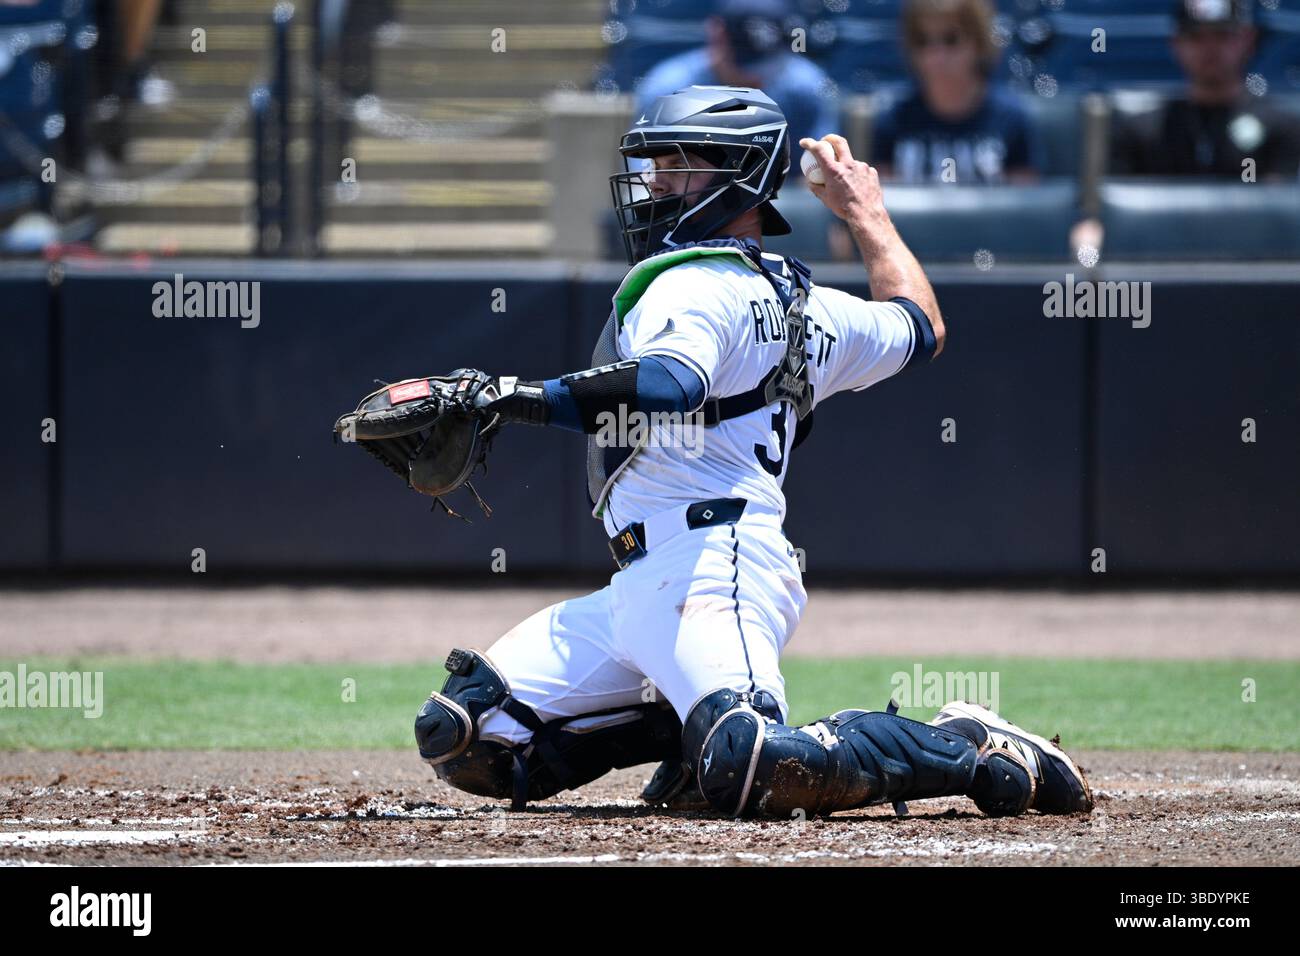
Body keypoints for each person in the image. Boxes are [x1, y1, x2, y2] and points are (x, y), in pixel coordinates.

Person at [412, 85, 1092, 820]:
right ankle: (686, 728)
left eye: (679, 164)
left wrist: (512, 398)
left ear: (739, 173)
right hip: (644, 586)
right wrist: (866, 213)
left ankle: (966, 744)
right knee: (468, 732)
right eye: (656, 163)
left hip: (715, 563)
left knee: (753, 760)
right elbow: (920, 325)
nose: (656, 183)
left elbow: (671, 384)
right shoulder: (808, 303)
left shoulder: (693, 282)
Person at [1110, 0, 1300, 179]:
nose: (1210, 48)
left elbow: (1279, 207)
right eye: (1196, 37)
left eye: (1222, 36)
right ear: (1175, 44)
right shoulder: (1144, 132)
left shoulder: (1281, 129)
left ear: (1247, 40)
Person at [872, 0, 1041, 183]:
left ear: (979, 43)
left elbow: (1024, 206)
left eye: (950, 39)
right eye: (922, 41)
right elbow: (879, 203)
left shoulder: (1011, 120)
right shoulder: (893, 121)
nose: (936, 55)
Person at [633, 0, 836, 151]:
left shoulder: (806, 86)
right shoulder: (669, 89)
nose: (756, 78)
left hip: (781, 204)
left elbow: (819, 176)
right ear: (717, 37)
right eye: (746, 61)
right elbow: (646, 179)